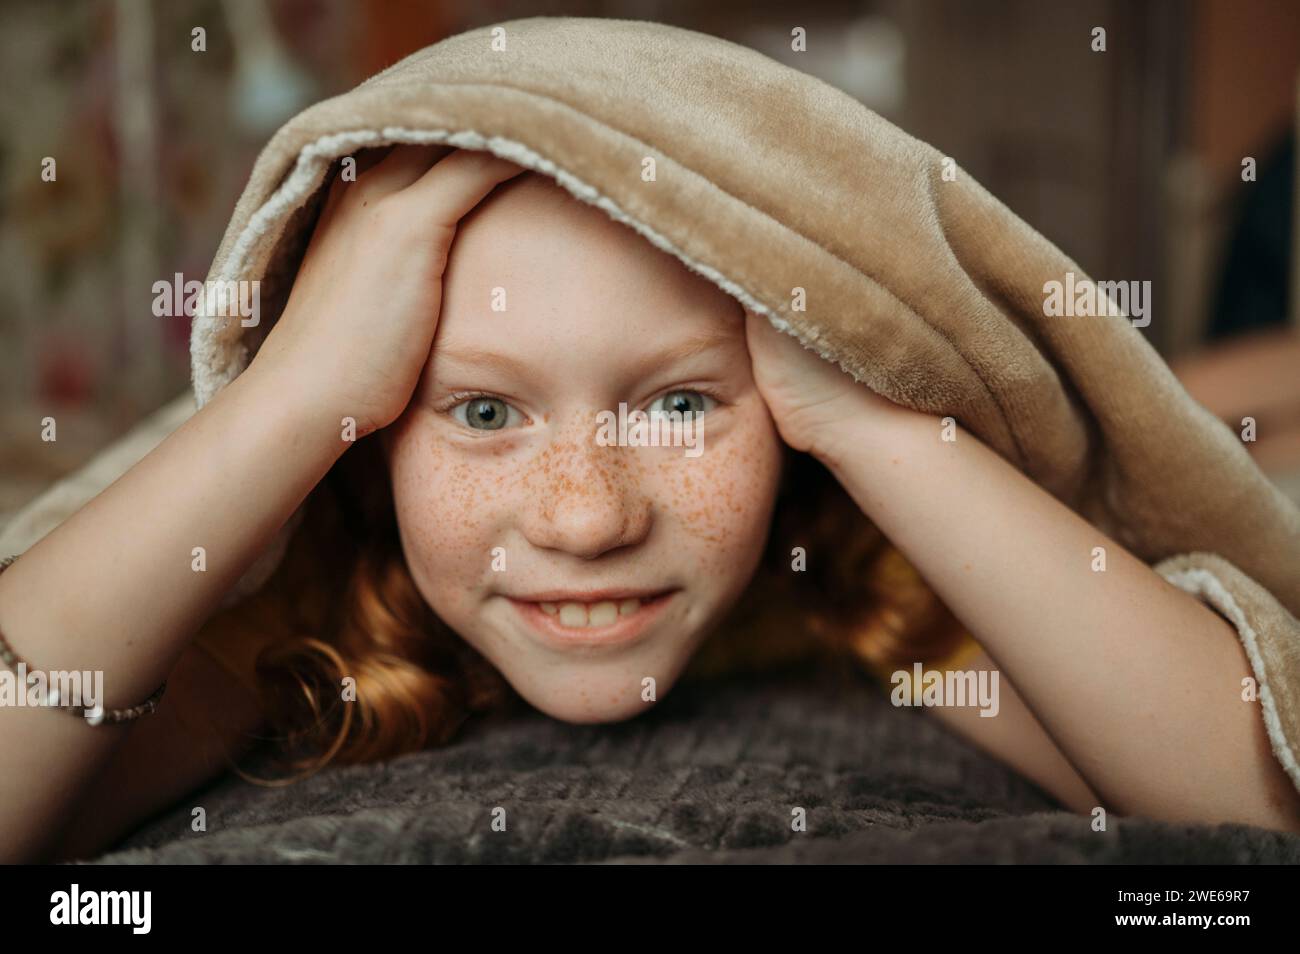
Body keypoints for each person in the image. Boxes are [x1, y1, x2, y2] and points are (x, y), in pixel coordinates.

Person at [1, 146, 1296, 865]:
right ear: (366, 443)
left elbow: (1255, 798)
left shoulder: (847, 560)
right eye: (485, 411)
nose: (583, 518)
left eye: (679, 405)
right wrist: (290, 400)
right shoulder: (315, 615)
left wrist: (876, 422)